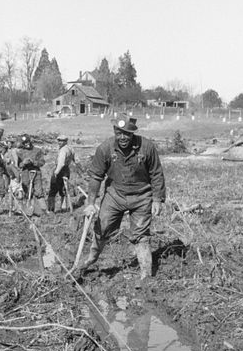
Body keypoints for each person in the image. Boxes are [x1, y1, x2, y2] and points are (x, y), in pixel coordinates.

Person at [78, 117, 166, 282]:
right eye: (119, 133)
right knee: (101, 228)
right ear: (114, 132)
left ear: (133, 133)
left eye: (127, 133)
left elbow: (156, 173)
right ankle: (90, 260)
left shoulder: (146, 147)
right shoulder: (105, 149)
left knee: (141, 235)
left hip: (142, 196)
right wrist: (90, 203)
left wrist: (157, 199)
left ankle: (146, 276)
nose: (123, 137)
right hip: (115, 195)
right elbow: (96, 176)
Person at [48, 134, 75, 213]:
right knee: (64, 189)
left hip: (60, 170)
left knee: (53, 190)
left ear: (65, 141)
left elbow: (61, 163)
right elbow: (75, 160)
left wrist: (56, 172)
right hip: (67, 170)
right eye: (59, 140)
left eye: (62, 141)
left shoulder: (63, 150)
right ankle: (64, 208)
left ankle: (51, 209)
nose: (60, 142)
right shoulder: (71, 149)